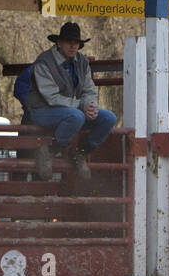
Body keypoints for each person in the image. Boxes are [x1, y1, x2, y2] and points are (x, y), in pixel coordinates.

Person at [24, 21, 117, 181]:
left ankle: (80, 152)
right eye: (69, 42)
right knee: (76, 116)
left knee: (109, 118)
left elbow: (89, 88)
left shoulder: (82, 62)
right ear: (59, 43)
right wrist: (82, 106)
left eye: (76, 43)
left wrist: (91, 106)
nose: (73, 46)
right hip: (41, 110)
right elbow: (51, 98)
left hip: (72, 110)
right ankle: (49, 150)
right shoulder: (44, 63)